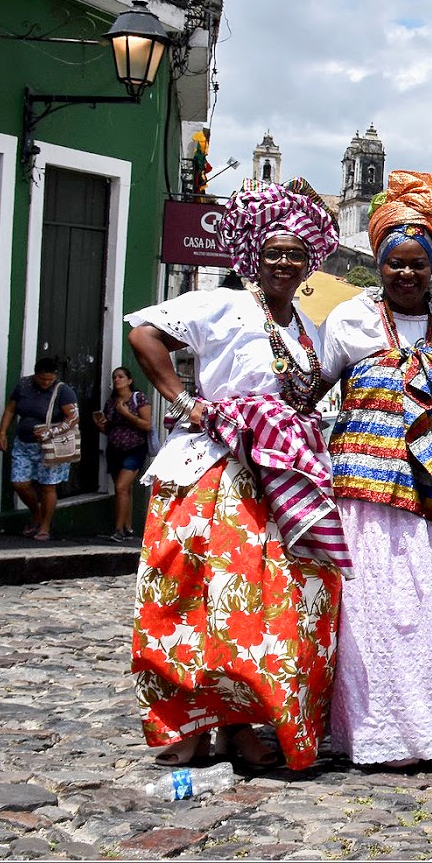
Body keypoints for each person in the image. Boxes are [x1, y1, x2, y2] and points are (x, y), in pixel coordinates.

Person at [126, 177, 346, 772]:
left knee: (269, 606)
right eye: (274, 251)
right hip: (214, 472)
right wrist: (185, 400)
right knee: (196, 595)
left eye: (296, 254)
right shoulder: (221, 305)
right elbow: (143, 334)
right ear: (253, 253)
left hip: (283, 483)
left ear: (309, 263)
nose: (284, 262)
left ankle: (246, 722)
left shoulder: (308, 328)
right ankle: (193, 723)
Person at [319, 171, 432, 768]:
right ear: (379, 263)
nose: (408, 274)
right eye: (397, 263)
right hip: (366, 495)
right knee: (371, 615)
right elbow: (316, 386)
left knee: (430, 613)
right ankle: (373, 734)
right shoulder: (350, 321)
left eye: (420, 263)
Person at [0, 357, 79, 541]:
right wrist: (2, 433)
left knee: (47, 486)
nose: (46, 383)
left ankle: (45, 526)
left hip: (50, 447)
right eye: (42, 379)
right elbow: (10, 409)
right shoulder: (23, 386)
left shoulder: (63, 391)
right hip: (24, 443)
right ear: (35, 375)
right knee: (20, 483)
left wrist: (51, 432)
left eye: (50, 379)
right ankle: (36, 512)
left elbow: (73, 418)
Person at [94, 366, 153, 543]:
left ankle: (118, 530)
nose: (117, 380)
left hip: (135, 448)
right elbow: (108, 428)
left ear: (129, 380)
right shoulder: (111, 403)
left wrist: (126, 414)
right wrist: (101, 424)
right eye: (114, 377)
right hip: (115, 449)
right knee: (125, 490)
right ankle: (128, 528)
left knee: (121, 487)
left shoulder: (138, 398)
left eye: (120, 377)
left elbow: (147, 425)